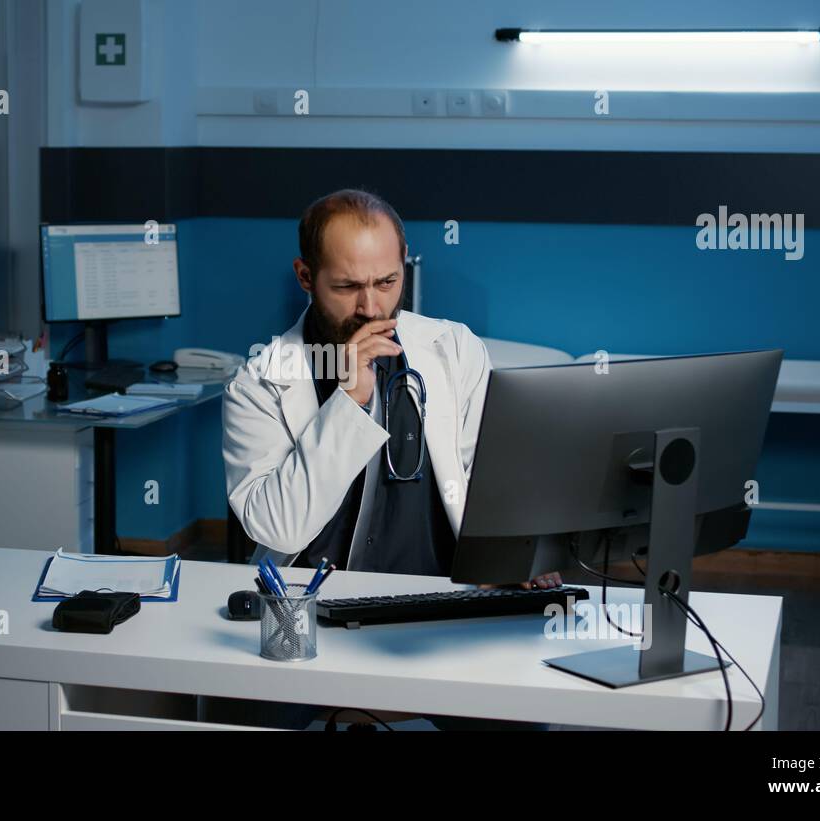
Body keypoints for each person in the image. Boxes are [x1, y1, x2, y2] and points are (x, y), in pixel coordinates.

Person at [212, 188, 560, 730]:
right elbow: (276, 528)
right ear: (306, 277)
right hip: (316, 613)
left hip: (444, 603)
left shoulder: (455, 349)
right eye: (347, 286)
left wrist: (514, 555)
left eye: (387, 282)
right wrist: (347, 401)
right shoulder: (260, 382)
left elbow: (490, 479)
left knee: (524, 715)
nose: (371, 307)